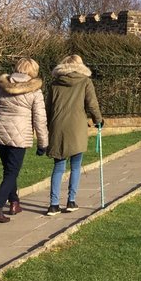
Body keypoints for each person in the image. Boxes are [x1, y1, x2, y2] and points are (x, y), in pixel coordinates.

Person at [0, 58, 48, 223]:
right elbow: (40, 118)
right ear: (33, 71)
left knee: (8, 170)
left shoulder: (2, 86)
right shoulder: (34, 91)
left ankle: (14, 202)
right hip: (19, 136)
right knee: (12, 172)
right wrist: (43, 143)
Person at [45, 54, 103, 216]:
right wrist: (98, 120)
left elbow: (48, 108)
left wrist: (48, 126)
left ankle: (53, 204)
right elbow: (92, 104)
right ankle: (71, 201)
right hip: (77, 127)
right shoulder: (85, 81)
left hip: (58, 126)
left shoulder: (55, 84)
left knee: (58, 166)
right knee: (76, 166)